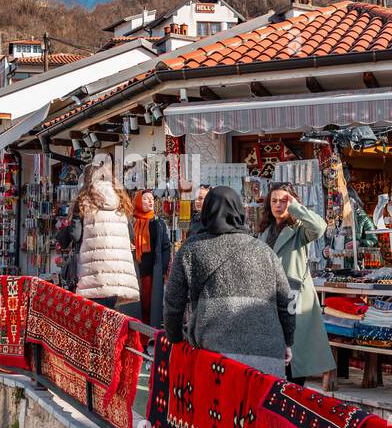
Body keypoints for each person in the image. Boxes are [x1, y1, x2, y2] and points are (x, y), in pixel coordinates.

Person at [163, 186, 295, 376]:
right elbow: (287, 301)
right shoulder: (264, 251)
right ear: (240, 212)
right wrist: (287, 341)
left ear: (207, 211)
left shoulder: (192, 249)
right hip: (268, 356)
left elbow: (173, 302)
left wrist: (174, 337)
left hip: (216, 360)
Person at [261, 183, 335, 381]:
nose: (278, 205)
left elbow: (320, 226)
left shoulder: (299, 230)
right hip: (269, 300)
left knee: (294, 363)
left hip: (294, 299)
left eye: (283, 200)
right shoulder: (265, 232)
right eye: (274, 200)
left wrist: (295, 207)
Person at [72, 158, 139, 310]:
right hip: (119, 273)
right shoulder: (120, 199)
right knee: (111, 317)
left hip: (93, 273)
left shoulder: (84, 199)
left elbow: (75, 234)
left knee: (93, 318)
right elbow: (131, 233)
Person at [132, 190, 172, 328]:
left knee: (149, 305)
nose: (150, 201)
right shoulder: (131, 223)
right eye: (145, 199)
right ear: (137, 202)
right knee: (133, 305)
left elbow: (166, 246)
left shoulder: (158, 223)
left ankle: (147, 335)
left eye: (151, 199)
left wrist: (163, 267)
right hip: (133, 271)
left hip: (151, 272)